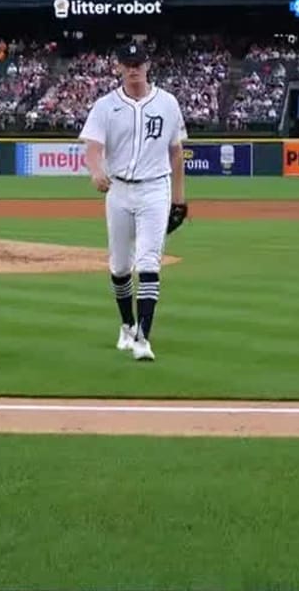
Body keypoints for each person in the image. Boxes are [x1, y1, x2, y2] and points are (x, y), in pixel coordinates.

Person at [80, 43, 189, 362]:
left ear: (147, 65)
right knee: (120, 265)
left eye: (138, 62)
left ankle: (143, 337)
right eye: (128, 63)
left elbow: (176, 152)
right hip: (119, 190)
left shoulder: (167, 102)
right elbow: (93, 147)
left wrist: (180, 200)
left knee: (149, 262)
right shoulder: (105, 105)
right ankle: (126, 325)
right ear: (118, 66)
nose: (133, 68)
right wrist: (96, 171)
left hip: (156, 188)